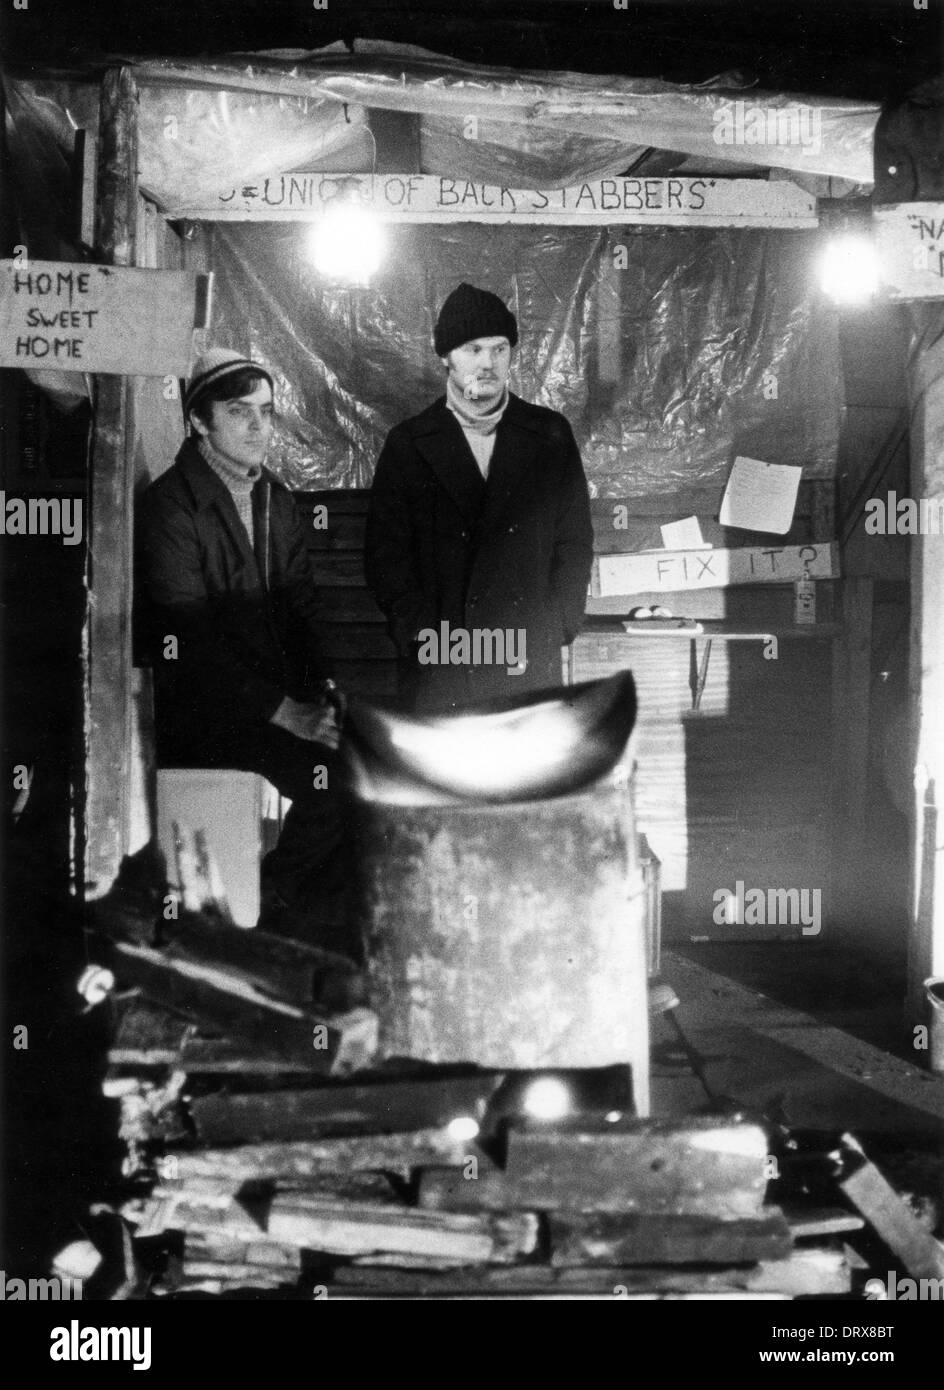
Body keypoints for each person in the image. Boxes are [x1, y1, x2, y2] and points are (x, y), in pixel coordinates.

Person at [138, 348, 355, 954]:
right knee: (337, 785)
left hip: (268, 707)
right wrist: (288, 713)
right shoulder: (170, 508)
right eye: (239, 413)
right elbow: (191, 646)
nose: (260, 427)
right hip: (203, 717)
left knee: (366, 764)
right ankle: (258, 921)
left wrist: (327, 686)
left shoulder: (274, 501)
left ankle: (275, 911)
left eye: (265, 412)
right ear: (199, 422)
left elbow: (301, 608)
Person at [365, 282, 594, 715]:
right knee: (446, 779)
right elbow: (385, 555)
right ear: (446, 357)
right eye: (472, 349)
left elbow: (575, 540)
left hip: (525, 655)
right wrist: (417, 634)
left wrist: (559, 624)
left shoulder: (549, 435)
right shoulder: (410, 444)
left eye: (500, 348)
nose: (488, 363)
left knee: (518, 779)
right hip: (442, 661)